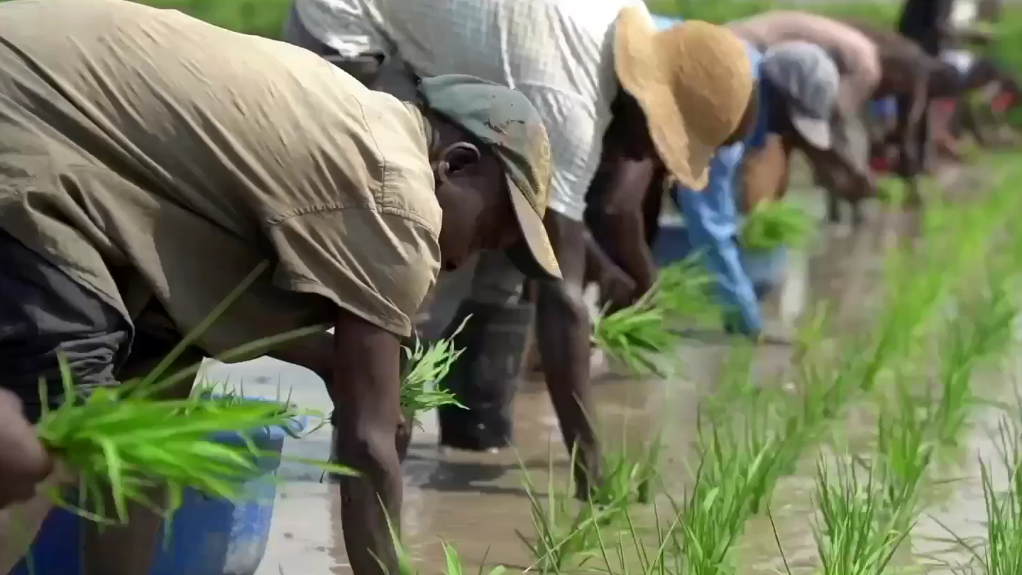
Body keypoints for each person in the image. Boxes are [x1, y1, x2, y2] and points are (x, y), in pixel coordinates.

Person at [0, 1, 559, 575]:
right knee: (58, 417)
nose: (464, 259)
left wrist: (351, 369)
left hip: (63, 127)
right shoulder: (401, 196)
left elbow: (212, 296)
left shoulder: (356, 134)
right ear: (456, 165)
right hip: (27, 118)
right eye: (488, 231)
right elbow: (367, 446)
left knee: (136, 437)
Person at [285, 0, 759, 486]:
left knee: (509, 232)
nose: (646, 156)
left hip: (414, 47)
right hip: (349, 37)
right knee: (412, 244)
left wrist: (601, 270)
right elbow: (561, 295)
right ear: (644, 105)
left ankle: (470, 436)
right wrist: (590, 463)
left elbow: (548, 237)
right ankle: (364, 463)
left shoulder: (617, 22)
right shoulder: (570, 101)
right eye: (659, 143)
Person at [726, 11, 882, 225]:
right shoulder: (866, 70)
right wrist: (854, 168)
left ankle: (755, 206)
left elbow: (831, 121)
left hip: (739, 39)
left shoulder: (855, 55)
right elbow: (837, 118)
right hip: (743, 54)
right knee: (756, 145)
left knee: (772, 139)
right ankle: (749, 209)